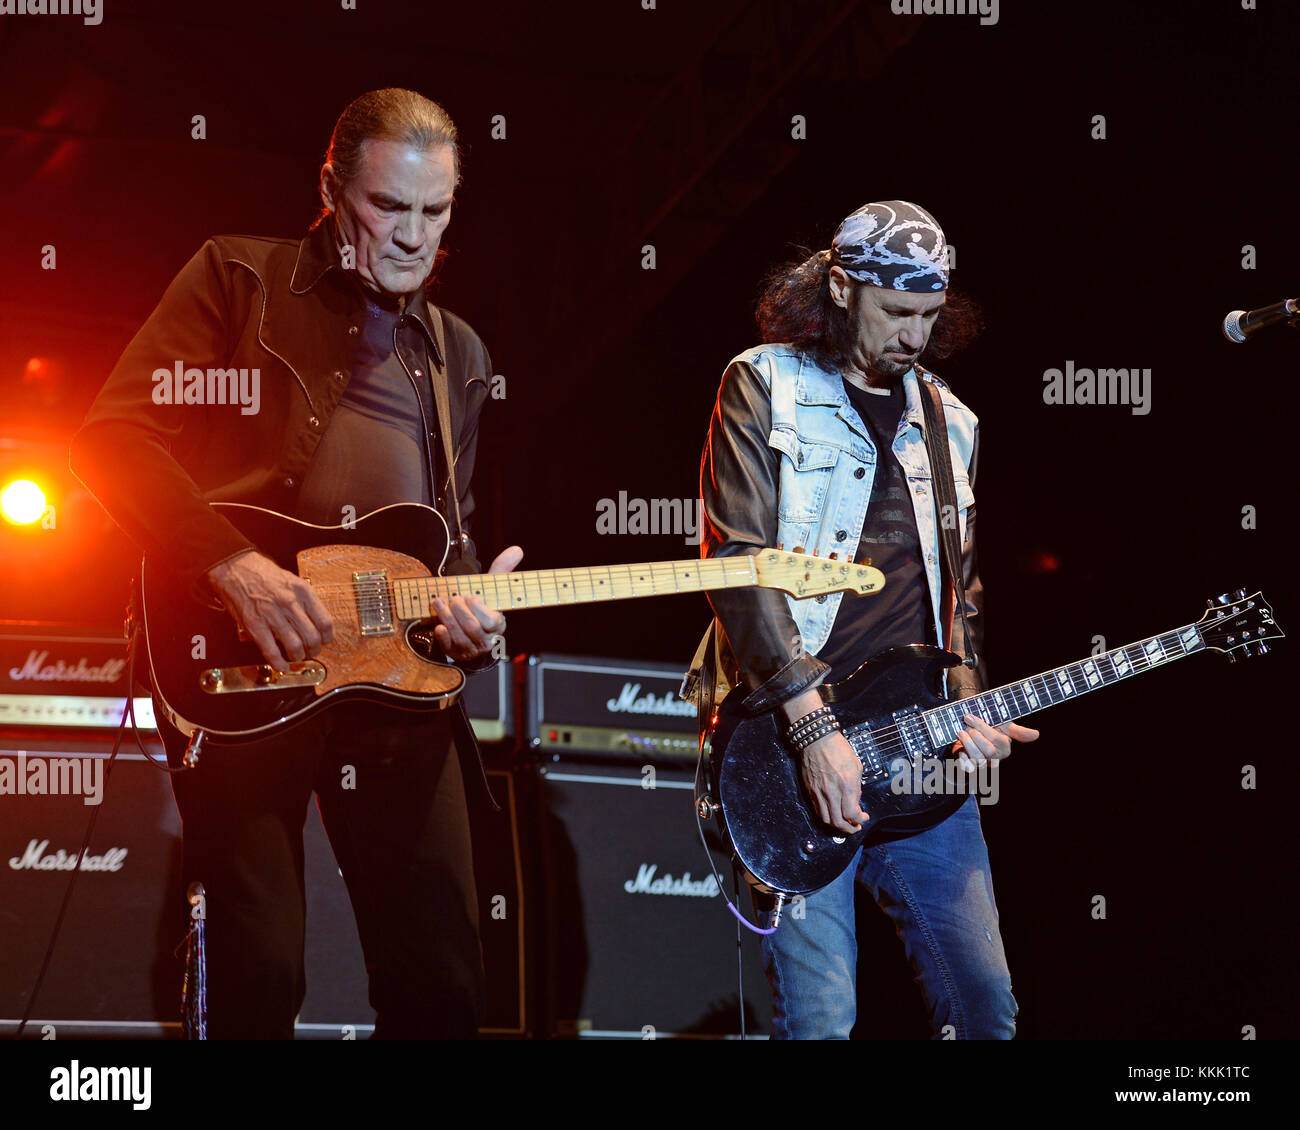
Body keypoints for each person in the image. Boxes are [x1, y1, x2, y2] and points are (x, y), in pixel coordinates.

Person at [69, 88, 521, 1039]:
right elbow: (113, 439)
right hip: (244, 659)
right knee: (260, 971)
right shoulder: (239, 275)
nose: (413, 236)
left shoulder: (459, 351)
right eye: (387, 206)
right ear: (330, 188)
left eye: (435, 211)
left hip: (395, 677)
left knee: (446, 985)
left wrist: (473, 620)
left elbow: (450, 535)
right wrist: (231, 565)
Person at [695, 200, 1039, 1039]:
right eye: (897, 313)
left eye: (930, 315)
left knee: (985, 1007)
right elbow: (738, 563)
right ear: (842, 288)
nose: (916, 336)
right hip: (793, 742)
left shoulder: (951, 420)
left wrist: (968, 703)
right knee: (822, 1019)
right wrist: (814, 729)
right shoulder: (765, 383)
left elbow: (960, 589)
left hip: (921, 743)